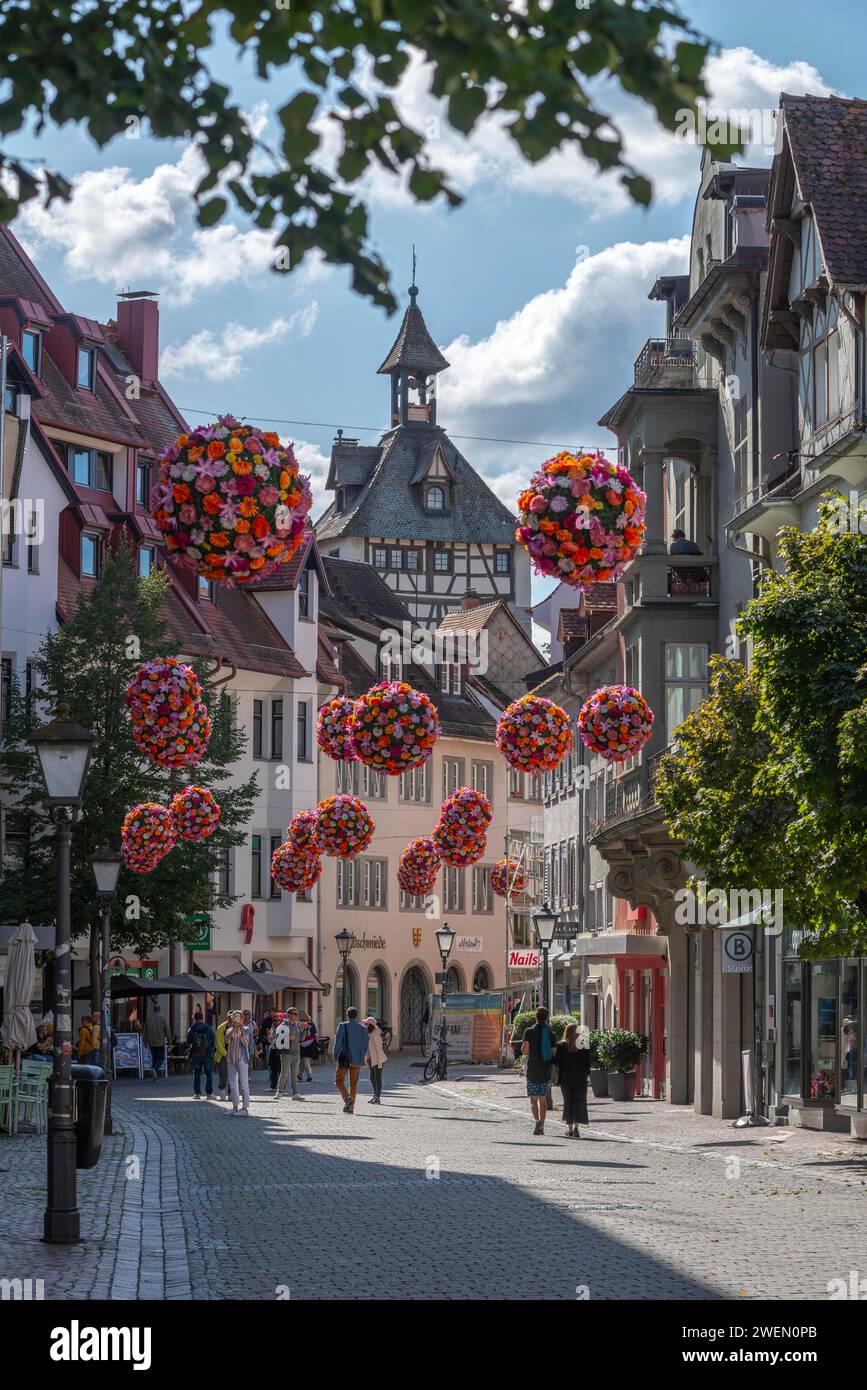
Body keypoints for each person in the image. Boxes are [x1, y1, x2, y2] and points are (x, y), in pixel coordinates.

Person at [521, 1005, 555, 1136]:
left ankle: (536, 1121)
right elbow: (553, 1053)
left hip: (533, 1070)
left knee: (533, 1100)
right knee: (543, 1099)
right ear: (546, 1018)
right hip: (545, 1071)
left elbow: (525, 1050)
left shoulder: (529, 1031)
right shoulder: (551, 1034)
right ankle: (542, 1125)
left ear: (536, 1017)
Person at [555, 1021, 591, 1138]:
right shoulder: (583, 1044)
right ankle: (576, 1128)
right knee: (579, 1103)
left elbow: (557, 1062)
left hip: (566, 1079)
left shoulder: (561, 1045)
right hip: (580, 1079)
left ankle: (570, 1129)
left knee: (568, 1103)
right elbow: (588, 1063)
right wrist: (585, 1075)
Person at [332, 1006, 370, 1114]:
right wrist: (361, 1055)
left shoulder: (342, 1026)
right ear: (356, 1015)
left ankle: (347, 1099)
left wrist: (335, 1055)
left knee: (338, 1081)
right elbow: (365, 1045)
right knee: (353, 1084)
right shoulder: (363, 1029)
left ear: (347, 1015)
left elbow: (338, 1042)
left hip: (344, 1058)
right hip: (357, 1060)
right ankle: (351, 1108)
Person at [226, 1010, 256, 1115]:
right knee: (232, 1083)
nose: (236, 1019)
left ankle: (245, 1108)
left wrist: (241, 1030)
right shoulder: (230, 1030)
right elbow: (227, 1041)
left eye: (238, 1017)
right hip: (231, 1058)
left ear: (242, 1019)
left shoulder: (247, 1029)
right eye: (234, 1017)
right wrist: (233, 1030)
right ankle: (235, 1107)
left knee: (244, 1083)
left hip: (242, 1059)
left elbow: (246, 1043)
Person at [274, 1007, 304, 1100]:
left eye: (296, 1014)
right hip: (286, 1053)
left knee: (294, 1074)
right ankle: (279, 1092)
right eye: (294, 1014)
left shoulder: (297, 1025)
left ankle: (294, 1093)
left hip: (296, 1052)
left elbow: (302, 1038)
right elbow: (278, 1039)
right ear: (289, 1015)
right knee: (284, 1073)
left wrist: (304, 1030)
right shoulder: (283, 1025)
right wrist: (288, 1038)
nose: (296, 1016)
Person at [186, 1012, 216, 1100]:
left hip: (196, 1055)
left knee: (197, 1073)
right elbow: (213, 1041)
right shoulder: (208, 1028)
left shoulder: (192, 1029)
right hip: (207, 1054)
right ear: (203, 1018)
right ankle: (209, 1094)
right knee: (208, 1074)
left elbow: (188, 1042)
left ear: (194, 1019)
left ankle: (197, 1093)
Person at [143, 1002, 172, 1080]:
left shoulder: (149, 1018)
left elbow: (144, 1030)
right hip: (160, 1042)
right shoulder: (162, 1018)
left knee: (154, 1058)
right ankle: (155, 1069)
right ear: (160, 1010)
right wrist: (169, 1041)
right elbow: (167, 1030)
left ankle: (155, 1076)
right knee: (161, 1058)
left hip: (151, 1042)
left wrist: (144, 1041)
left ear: (154, 1010)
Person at [364, 1016, 386, 1104]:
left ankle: (377, 1097)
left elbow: (378, 1048)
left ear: (371, 1025)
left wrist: (379, 1062)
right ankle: (375, 1096)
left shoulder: (376, 1032)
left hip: (377, 1059)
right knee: (372, 1077)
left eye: (366, 1023)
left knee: (377, 1078)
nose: (365, 1024)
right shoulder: (370, 1032)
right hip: (371, 1059)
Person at [214, 1013, 231, 1101]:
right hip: (222, 1055)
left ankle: (231, 1093)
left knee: (233, 1075)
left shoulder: (237, 1027)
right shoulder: (221, 1028)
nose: (232, 1019)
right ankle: (222, 1089)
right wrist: (225, 1053)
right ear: (227, 1017)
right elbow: (218, 1043)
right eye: (230, 1017)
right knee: (223, 1074)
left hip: (233, 1055)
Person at [300, 1012, 318, 1081]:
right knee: (303, 1060)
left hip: (305, 1044)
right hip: (310, 1043)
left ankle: (309, 1075)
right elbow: (315, 1034)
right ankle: (300, 1074)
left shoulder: (303, 1024)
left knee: (304, 1059)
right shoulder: (311, 1024)